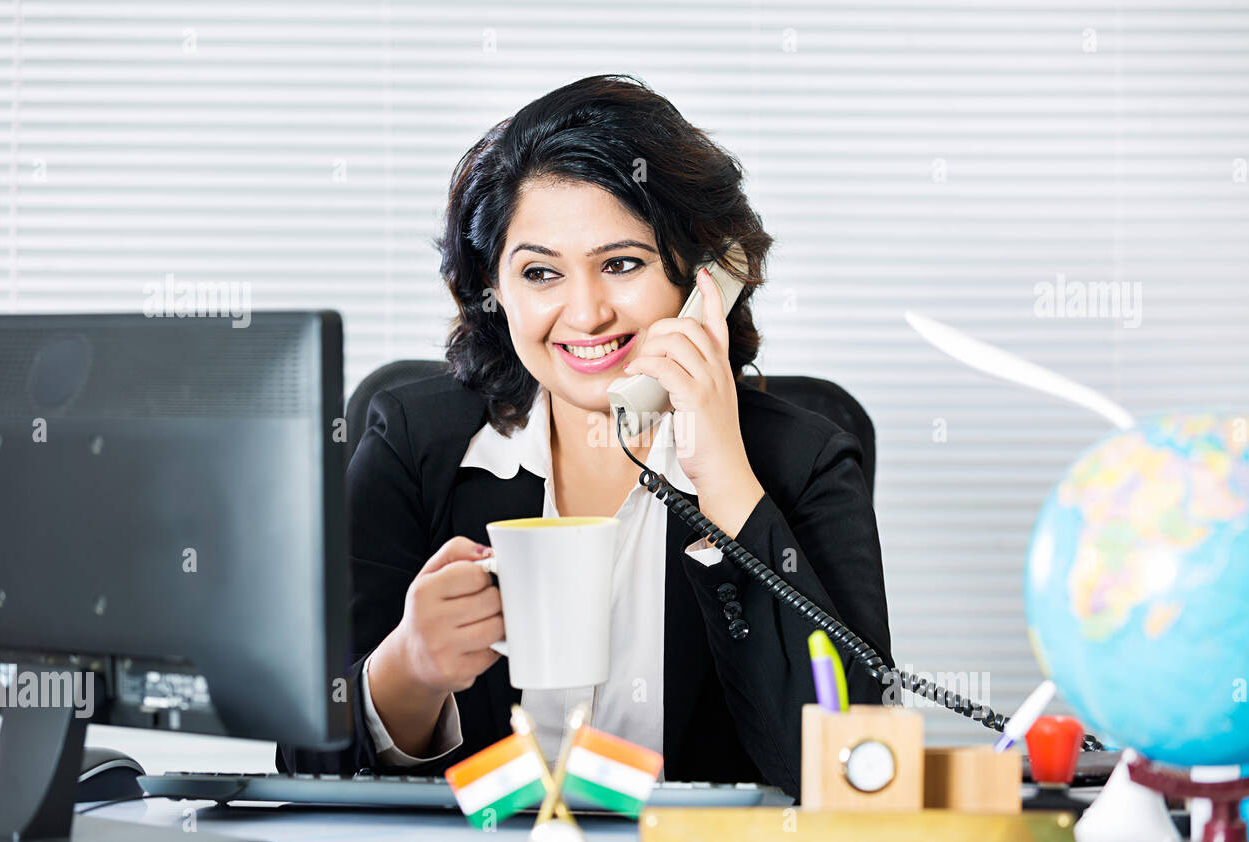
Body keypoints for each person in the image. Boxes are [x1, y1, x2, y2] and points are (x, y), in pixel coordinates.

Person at [278, 74, 894, 799]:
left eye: (622, 264)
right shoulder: (415, 445)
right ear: (494, 288)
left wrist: (724, 477)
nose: (586, 313)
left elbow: (854, 771)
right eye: (540, 272)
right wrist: (408, 671)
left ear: (705, 278)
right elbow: (303, 766)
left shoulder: (802, 461)